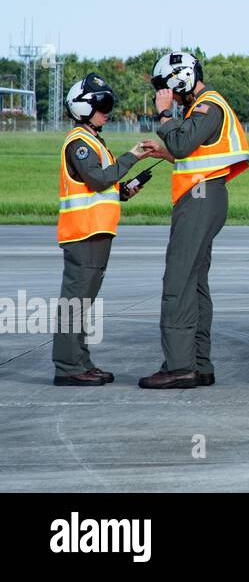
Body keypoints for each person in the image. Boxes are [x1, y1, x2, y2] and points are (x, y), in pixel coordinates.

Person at [136, 51, 249, 390]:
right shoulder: (203, 107)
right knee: (196, 282)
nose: (165, 94)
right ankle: (199, 364)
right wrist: (163, 152)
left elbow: (184, 143)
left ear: (181, 79)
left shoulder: (207, 106)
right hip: (206, 195)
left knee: (178, 281)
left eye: (166, 87)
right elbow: (191, 152)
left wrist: (164, 115)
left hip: (199, 199)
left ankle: (179, 366)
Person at [54, 74, 153, 386]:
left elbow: (104, 186)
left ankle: (80, 361)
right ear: (83, 109)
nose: (107, 111)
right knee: (75, 300)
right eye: (102, 104)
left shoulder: (96, 141)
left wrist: (126, 189)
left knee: (84, 301)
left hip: (97, 233)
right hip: (82, 233)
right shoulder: (79, 143)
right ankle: (68, 366)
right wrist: (132, 156)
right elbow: (97, 180)